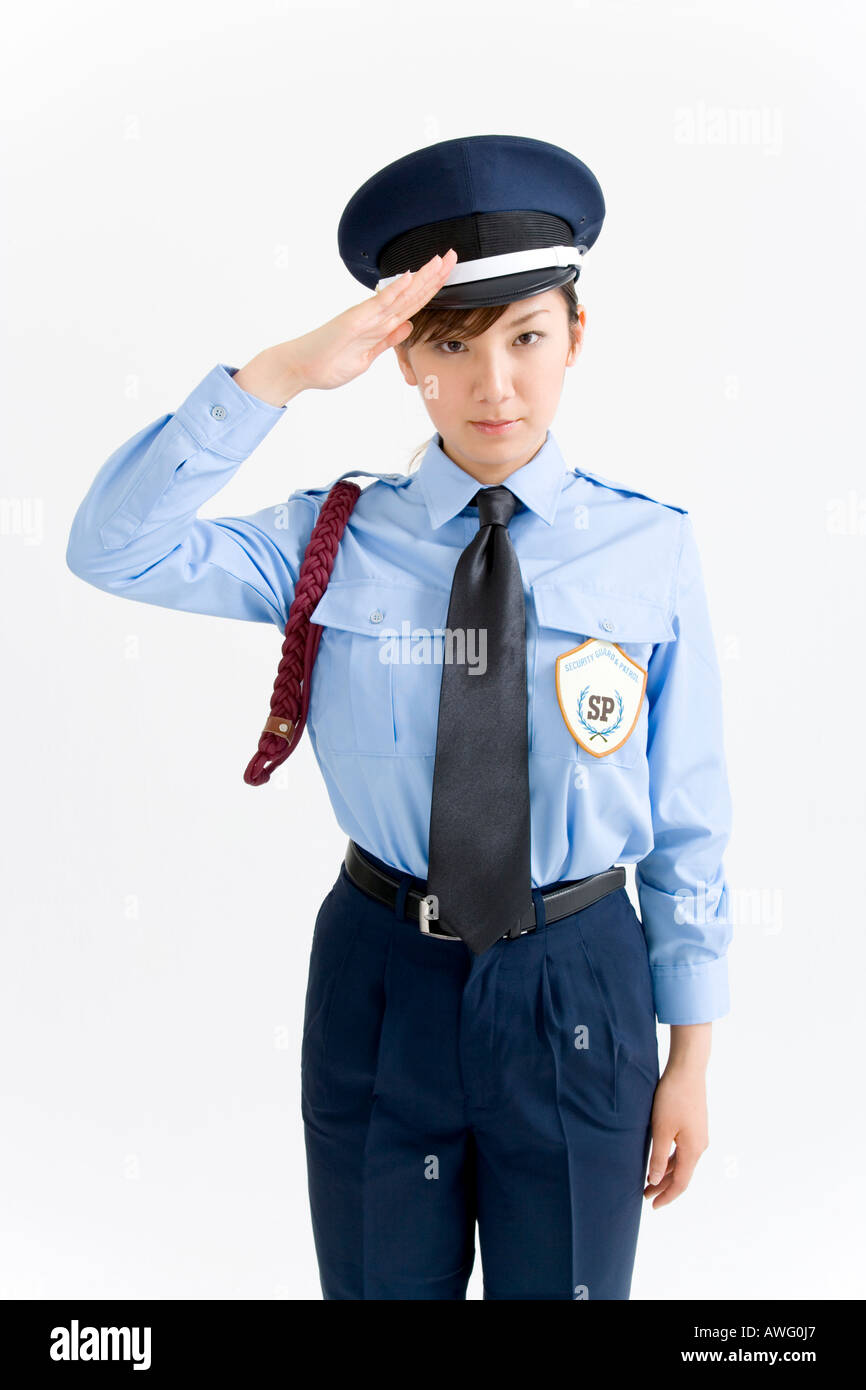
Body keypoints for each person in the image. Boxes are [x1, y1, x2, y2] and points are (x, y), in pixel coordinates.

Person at [66, 134, 733, 1301]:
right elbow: (112, 548)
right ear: (401, 360)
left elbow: (687, 818)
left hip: (578, 979)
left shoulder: (649, 547)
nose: (493, 386)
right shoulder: (327, 541)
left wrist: (691, 1052)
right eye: (449, 346)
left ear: (578, 336)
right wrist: (276, 374)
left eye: (525, 336)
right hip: (383, 976)